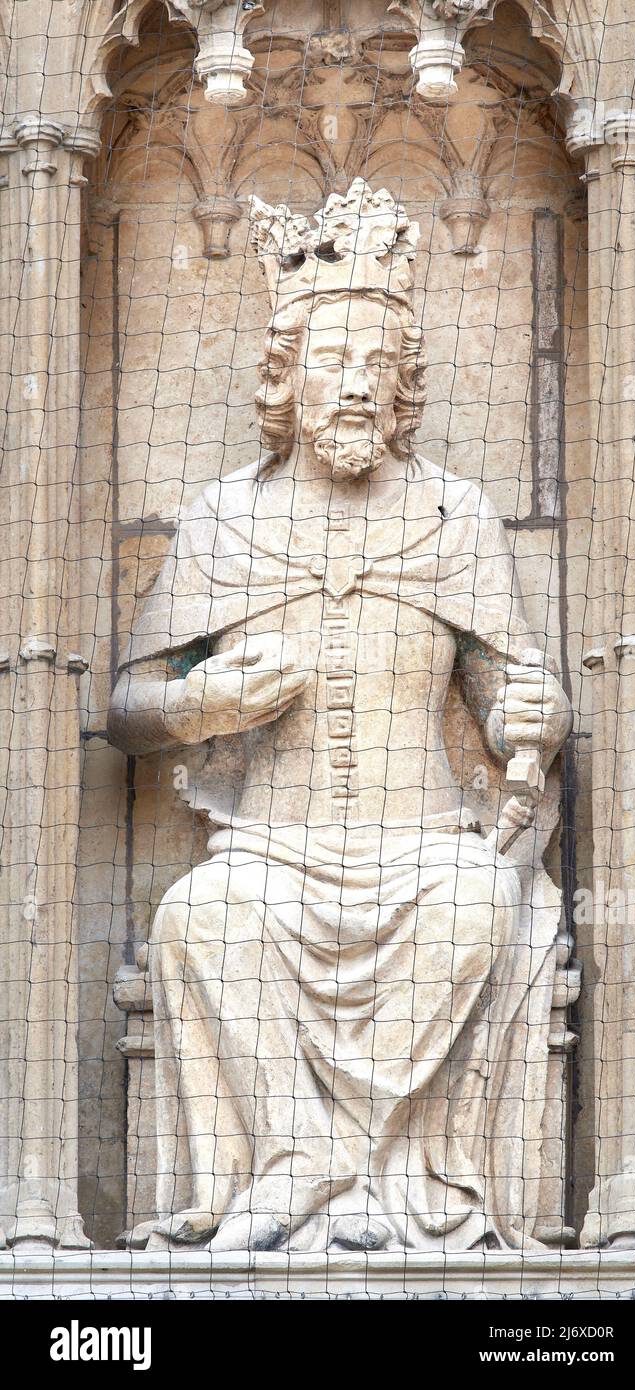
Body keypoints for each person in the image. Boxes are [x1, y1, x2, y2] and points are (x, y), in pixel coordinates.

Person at [108, 179, 572, 1252]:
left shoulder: (455, 519)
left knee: (474, 904)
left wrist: (531, 712)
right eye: (329, 360)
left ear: (407, 384)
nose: (355, 385)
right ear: (285, 380)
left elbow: (510, 697)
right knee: (197, 918)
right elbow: (127, 705)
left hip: (424, 847)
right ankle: (303, 1157)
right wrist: (199, 700)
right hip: (272, 846)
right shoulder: (227, 520)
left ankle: (350, 1173)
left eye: (377, 364)